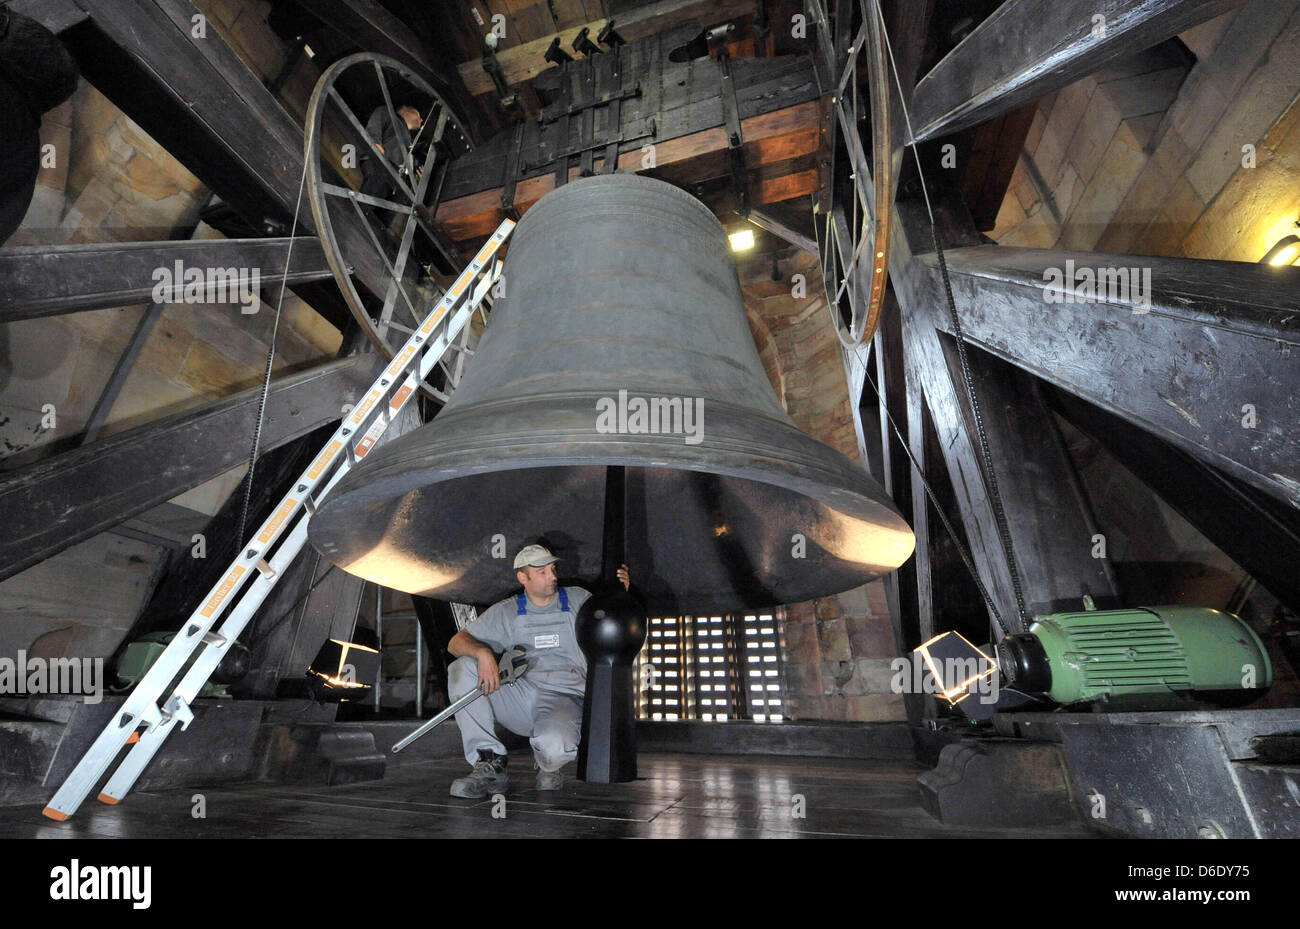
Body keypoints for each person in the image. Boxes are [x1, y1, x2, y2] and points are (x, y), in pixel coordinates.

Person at [445, 544, 629, 798]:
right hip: (520, 698)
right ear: (523, 577)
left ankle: (547, 762)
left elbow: (614, 623)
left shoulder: (578, 599)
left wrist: (622, 595)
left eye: (553, 569)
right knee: (462, 669)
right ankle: (489, 763)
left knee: (554, 747)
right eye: (541, 571)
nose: (552, 576)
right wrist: (482, 653)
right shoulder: (507, 611)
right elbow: (455, 643)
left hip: (565, 699)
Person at [359, 102, 423, 202]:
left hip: (395, 182)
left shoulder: (410, 142)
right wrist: (376, 146)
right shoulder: (387, 113)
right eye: (418, 115)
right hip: (382, 166)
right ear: (404, 108)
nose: (421, 119)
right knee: (367, 204)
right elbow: (374, 130)